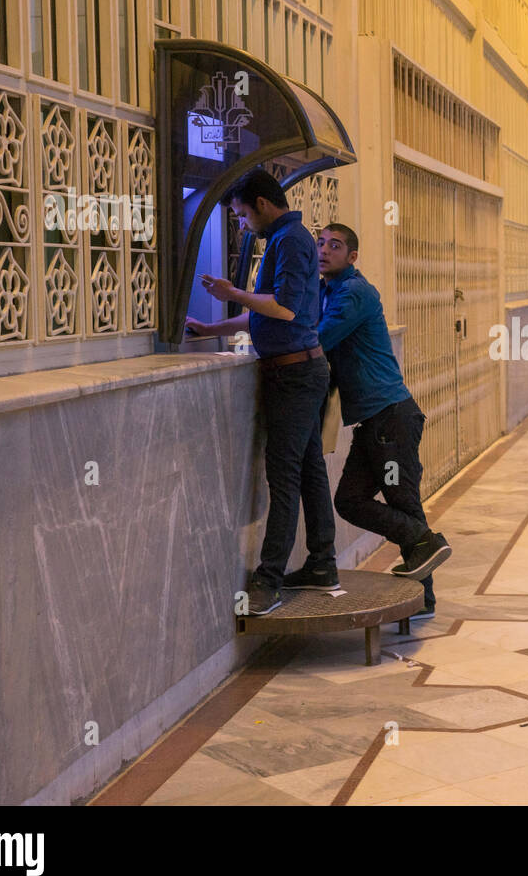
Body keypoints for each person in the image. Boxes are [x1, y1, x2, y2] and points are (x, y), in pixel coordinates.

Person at [184, 168, 336, 616]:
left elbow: (282, 308)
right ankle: (323, 564)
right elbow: (265, 313)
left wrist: (235, 292)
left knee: (285, 476)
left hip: (294, 374)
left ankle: (268, 581)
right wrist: (211, 326)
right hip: (301, 369)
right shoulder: (286, 239)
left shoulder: (288, 240)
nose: (243, 224)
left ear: (263, 205)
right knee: (308, 470)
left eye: (243, 214)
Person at [310, 223, 450, 620]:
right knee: (350, 500)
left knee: (401, 499)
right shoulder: (329, 289)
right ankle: (423, 547)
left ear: (352, 257)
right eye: (320, 244)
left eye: (334, 246)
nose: (324, 251)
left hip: (390, 420)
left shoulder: (354, 293)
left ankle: (424, 586)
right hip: (373, 424)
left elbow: (318, 338)